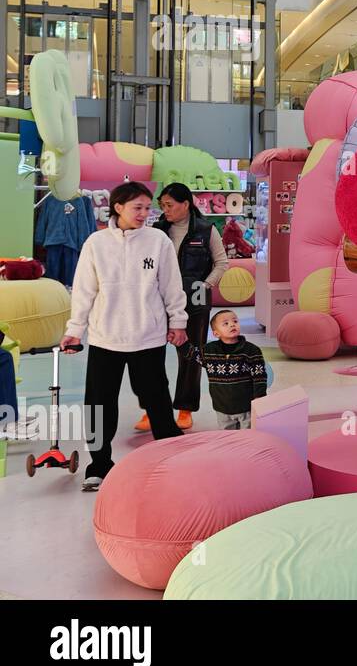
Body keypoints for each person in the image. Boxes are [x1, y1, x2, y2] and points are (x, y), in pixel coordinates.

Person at [61, 181, 187, 491]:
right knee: (99, 404)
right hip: (107, 337)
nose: (145, 214)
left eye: (148, 208)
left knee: (157, 399)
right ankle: (99, 464)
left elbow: (171, 285)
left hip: (149, 335)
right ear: (118, 208)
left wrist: (178, 321)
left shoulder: (158, 241)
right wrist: (74, 331)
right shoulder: (96, 243)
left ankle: (170, 454)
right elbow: (84, 291)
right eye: (138, 208)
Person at [140, 183, 228, 432]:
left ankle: (185, 409)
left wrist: (205, 285)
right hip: (158, 301)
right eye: (162, 205)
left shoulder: (206, 230)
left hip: (195, 301)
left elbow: (222, 263)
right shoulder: (156, 231)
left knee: (190, 355)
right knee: (148, 356)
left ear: (185, 204)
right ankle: (151, 409)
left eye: (169, 205)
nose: (164, 210)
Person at [201, 310, 268, 430]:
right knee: (228, 439)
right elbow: (192, 354)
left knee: (249, 438)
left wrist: (259, 397)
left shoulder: (252, 351)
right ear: (216, 333)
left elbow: (260, 376)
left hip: (246, 406)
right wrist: (180, 343)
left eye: (235, 321)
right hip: (222, 407)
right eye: (225, 323)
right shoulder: (209, 351)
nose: (232, 325)